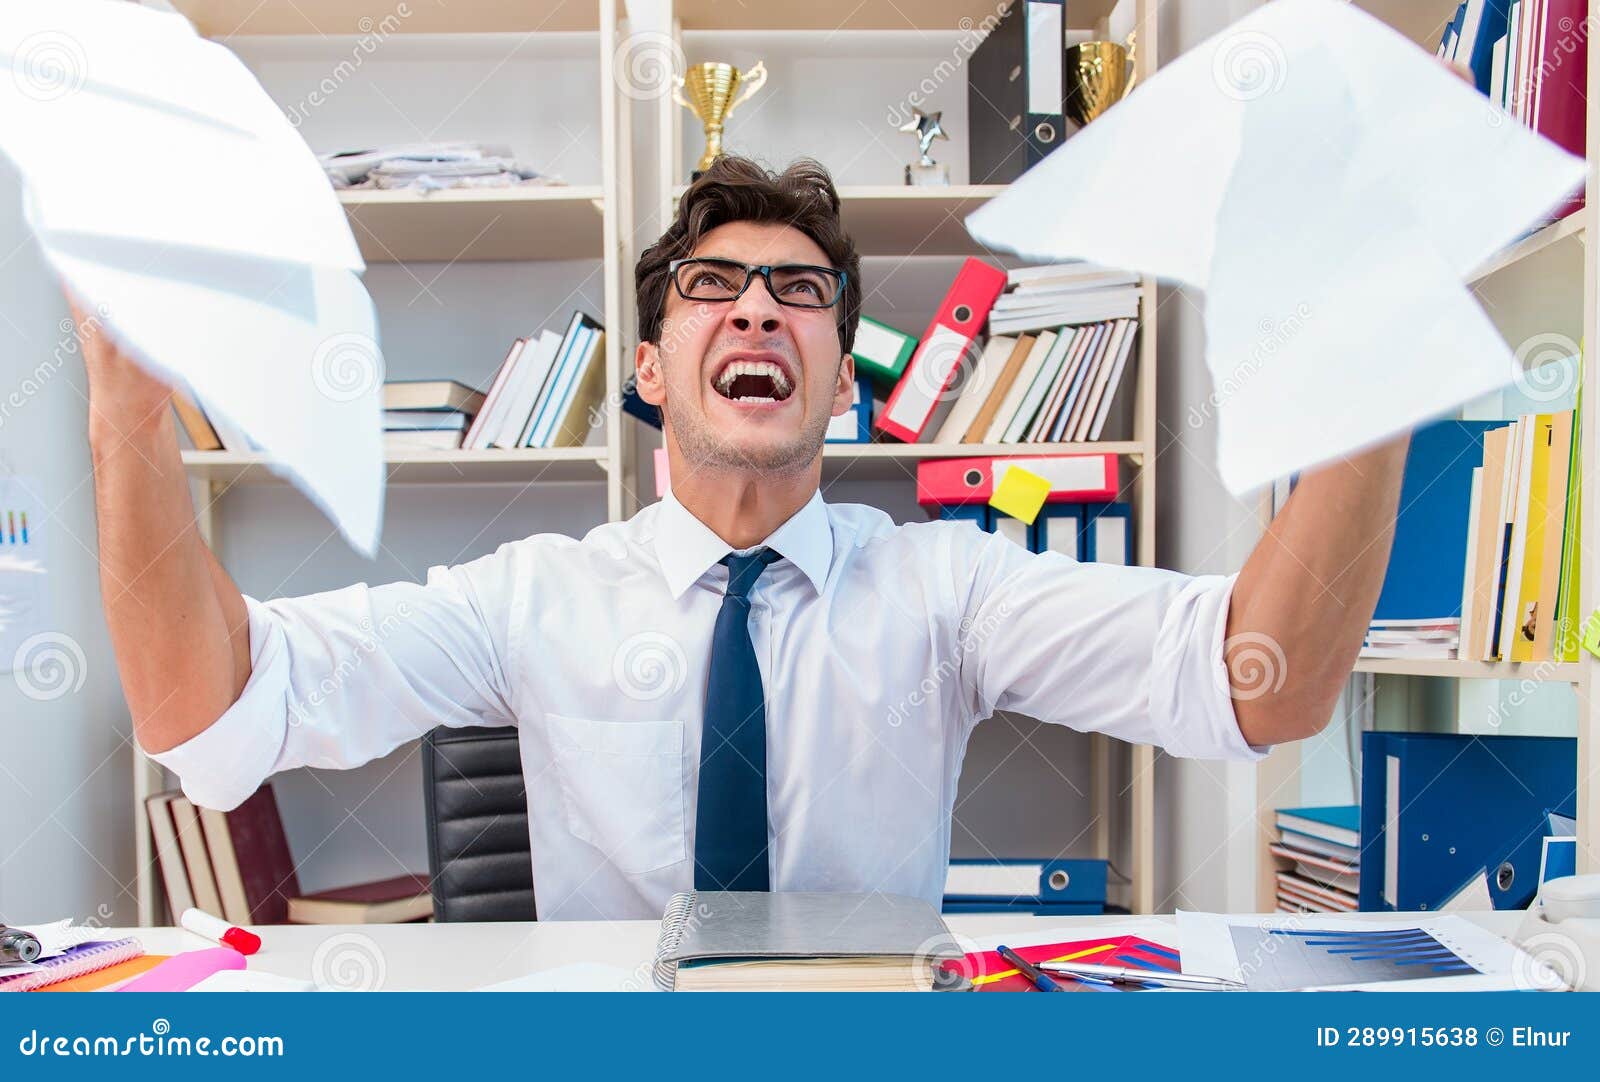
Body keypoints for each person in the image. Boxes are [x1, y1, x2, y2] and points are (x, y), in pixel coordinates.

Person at [77, 156, 1407, 920]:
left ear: (842, 381)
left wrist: (1367, 389)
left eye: (802, 296)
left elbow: (1267, 679)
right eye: (714, 290)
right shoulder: (535, 598)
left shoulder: (945, 587)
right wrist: (127, 404)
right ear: (652, 369)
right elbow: (207, 716)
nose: (759, 312)